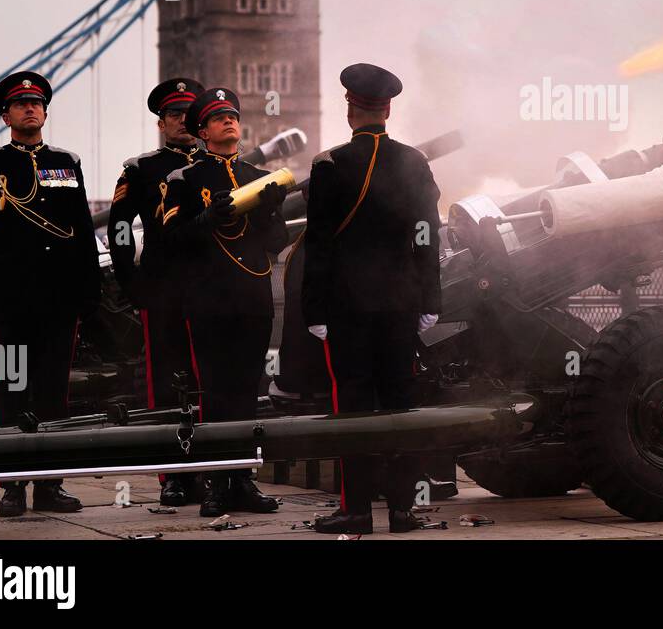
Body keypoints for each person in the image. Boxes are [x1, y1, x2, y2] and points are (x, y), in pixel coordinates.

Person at [304, 63, 443, 535]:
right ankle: (403, 511)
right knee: (401, 403)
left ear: (351, 108)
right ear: (387, 108)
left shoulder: (330, 165)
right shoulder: (414, 162)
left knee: (353, 408)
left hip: (347, 306)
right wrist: (430, 299)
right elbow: (427, 235)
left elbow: (318, 245)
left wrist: (314, 310)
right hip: (401, 302)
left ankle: (356, 509)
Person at [0, 72, 100, 518]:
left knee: (53, 393)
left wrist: (88, 295)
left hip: (57, 300)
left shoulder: (67, 161)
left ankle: (50, 484)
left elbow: (81, 234)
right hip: (8, 299)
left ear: (45, 111)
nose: (30, 109)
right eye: (20, 104)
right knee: (10, 390)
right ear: (6, 115)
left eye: (36, 103)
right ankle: (12, 485)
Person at [161, 87, 286, 517]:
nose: (229, 121)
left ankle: (244, 480)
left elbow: (278, 243)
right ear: (202, 132)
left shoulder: (256, 175)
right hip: (210, 300)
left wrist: (271, 212)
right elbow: (171, 240)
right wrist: (205, 219)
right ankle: (216, 482)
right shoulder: (184, 179)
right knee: (215, 394)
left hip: (253, 297)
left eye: (233, 115)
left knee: (248, 393)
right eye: (218, 118)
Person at [107, 77, 205, 506]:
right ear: (161, 123)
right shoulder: (141, 168)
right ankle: (173, 473)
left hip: (212, 286)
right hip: (163, 287)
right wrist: (132, 283)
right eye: (174, 114)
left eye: (188, 113)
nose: (182, 120)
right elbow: (120, 228)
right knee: (165, 380)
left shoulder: (218, 162)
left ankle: (213, 467)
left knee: (209, 377)